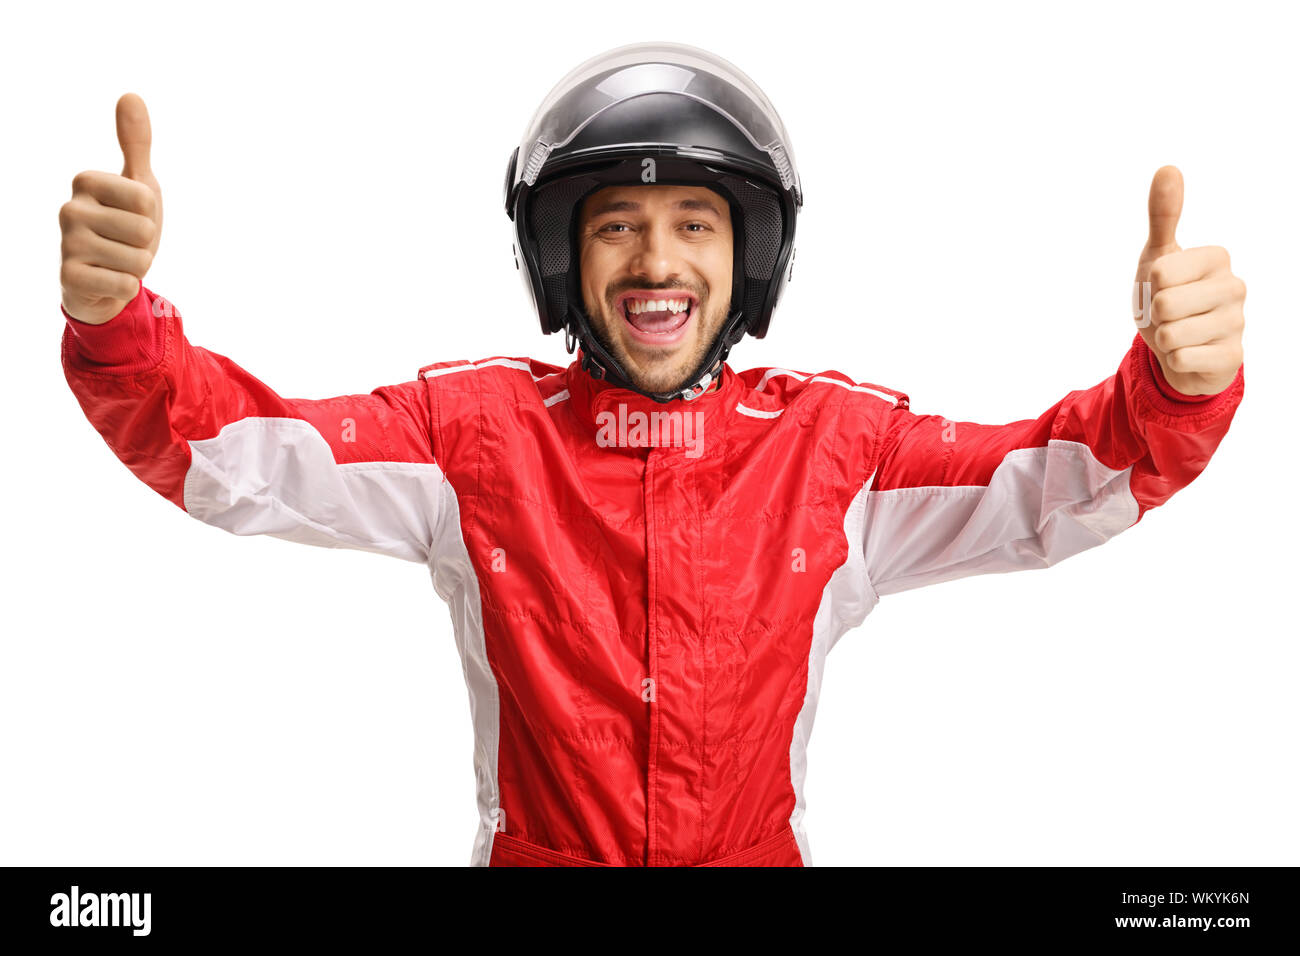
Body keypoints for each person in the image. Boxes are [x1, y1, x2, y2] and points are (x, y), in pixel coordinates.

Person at [58, 42, 1246, 867]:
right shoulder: (472, 436)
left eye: (695, 221)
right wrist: (121, 326)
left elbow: (1062, 481)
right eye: (615, 224)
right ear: (560, 262)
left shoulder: (837, 451)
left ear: (752, 257)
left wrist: (1173, 384)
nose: (656, 258)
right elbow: (233, 456)